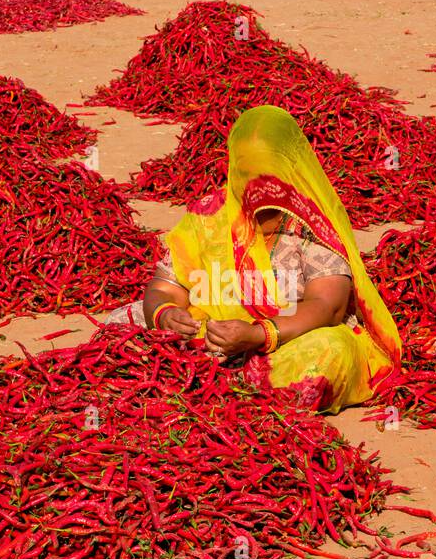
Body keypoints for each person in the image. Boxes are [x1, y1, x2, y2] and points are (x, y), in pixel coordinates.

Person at [106, 105, 401, 413]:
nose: (260, 188)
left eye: (270, 175)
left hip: (286, 338)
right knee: (123, 321)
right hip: (210, 332)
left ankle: (220, 387)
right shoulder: (210, 214)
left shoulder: (312, 223)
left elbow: (328, 306)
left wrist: (259, 333)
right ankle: (216, 384)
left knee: (331, 351)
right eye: (248, 176)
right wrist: (166, 314)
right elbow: (166, 286)